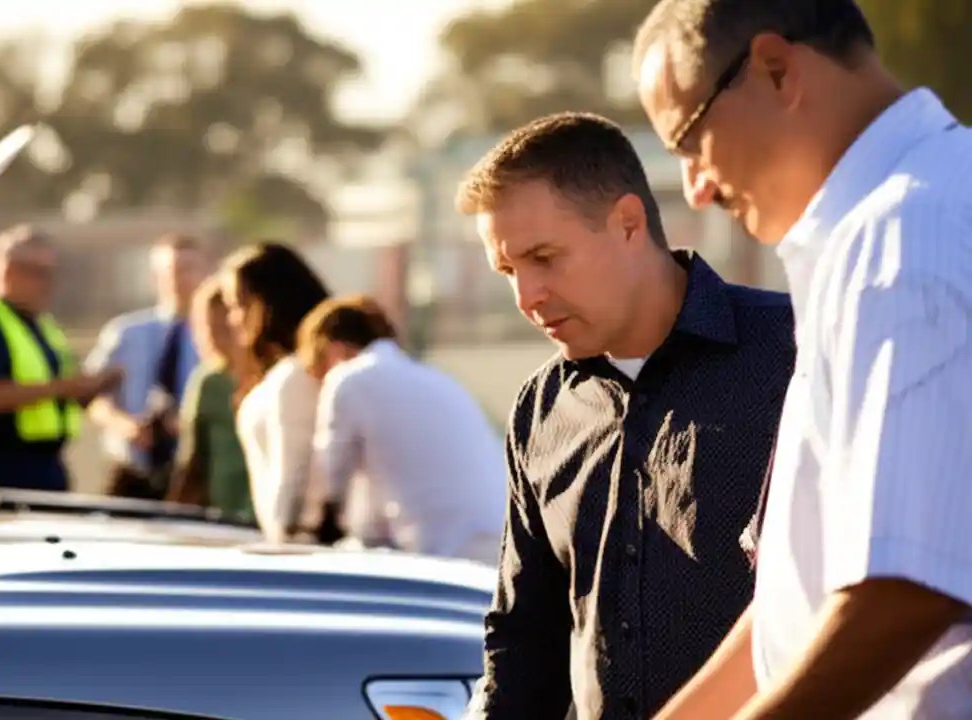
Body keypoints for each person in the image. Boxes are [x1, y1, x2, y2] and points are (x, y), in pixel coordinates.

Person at [633, 2, 972, 718]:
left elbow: (905, 591)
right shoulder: (888, 229)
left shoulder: (905, 243)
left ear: (777, 69)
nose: (696, 186)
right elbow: (806, 597)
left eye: (690, 142)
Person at [457, 113, 796, 719]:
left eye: (543, 257)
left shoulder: (797, 354)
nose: (526, 296)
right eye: (509, 271)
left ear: (628, 223)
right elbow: (523, 638)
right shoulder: (541, 410)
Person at [296, 294, 506, 565]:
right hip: (497, 541)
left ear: (334, 349)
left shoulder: (347, 379)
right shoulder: (434, 379)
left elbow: (328, 482)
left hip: (442, 555)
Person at [0, 225, 119, 493]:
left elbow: (60, 395)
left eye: (51, 273)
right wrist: (66, 387)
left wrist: (93, 387)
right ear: (8, 270)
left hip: (44, 467)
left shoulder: (42, 325)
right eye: (39, 273)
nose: (48, 284)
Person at [219, 242, 331, 544]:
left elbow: (292, 478)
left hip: (298, 555)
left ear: (265, 302)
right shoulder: (287, 373)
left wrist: (279, 550)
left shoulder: (296, 377)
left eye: (237, 305)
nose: (232, 319)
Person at [86, 233, 208, 500]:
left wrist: (187, 425)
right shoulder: (126, 332)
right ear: (155, 277)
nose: (179, 280)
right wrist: (126, 426)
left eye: (188, 270)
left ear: (204, 273)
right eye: (171, 272)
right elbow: (93, 398)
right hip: (131, 472)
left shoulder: (216, 339)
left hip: (192, 476)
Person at [165, 274, 254, 524]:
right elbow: (192, 460)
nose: (215, 337)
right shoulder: (209, 381)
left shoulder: (271, 379)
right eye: (207, 327)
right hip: (222, 516)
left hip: (264, 513)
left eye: (223, 328)